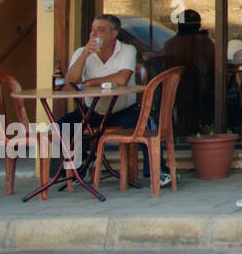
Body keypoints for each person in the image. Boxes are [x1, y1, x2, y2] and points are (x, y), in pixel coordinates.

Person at [61, 14, 170, 187]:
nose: (94, 34)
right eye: (93, 29)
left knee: (146, 125)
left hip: (123, 110)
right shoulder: (82, 52)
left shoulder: (127, 50)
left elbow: (122, 79)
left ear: (114, 34)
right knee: (60, 126)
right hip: (93, 112)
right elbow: (70, 84)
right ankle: (78, 169)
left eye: (101, 30)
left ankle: (160, 172)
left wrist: (90, 82)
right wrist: (83, 56)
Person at [160, 8, 216, 137]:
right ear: (198, 25)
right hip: (199, 91)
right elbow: (213, 68)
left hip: (177, 92)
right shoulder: (205, 43)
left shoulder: (170, 44)